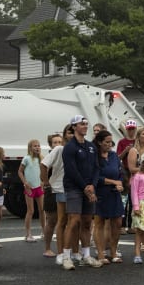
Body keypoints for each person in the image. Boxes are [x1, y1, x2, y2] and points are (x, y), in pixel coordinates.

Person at [61, 114, 102, 270]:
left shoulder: (91, 146)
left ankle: (86, 255)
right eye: (81, 124)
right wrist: (85, 187)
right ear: (74, 127)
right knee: (74, 220)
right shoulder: (69, 147)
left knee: (87, 222)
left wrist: (93, 185)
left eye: (86, 123)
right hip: (74, 188)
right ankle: (66, 256)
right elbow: (71, 170)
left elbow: (97, 167)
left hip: (89, 188)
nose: (85, 126)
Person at [41, 126, 74, 260]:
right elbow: (43, 166)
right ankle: (48, 248)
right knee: (52, 220)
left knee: (67, 221)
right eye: (54, 142)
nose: (57, 144)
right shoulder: (57, 151)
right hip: (53, 189)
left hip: (68, 189)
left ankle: (67, 249)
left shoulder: (73, 150)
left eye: (58, 142)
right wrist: (46, 183)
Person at [93, 130, 125, 263]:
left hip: (114, 193)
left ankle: (113, 252)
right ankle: (100, 253)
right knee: (99, 222)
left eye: (111, 142)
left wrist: (120, 184)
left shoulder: (113, 156)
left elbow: (120, 172)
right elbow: (95, 176)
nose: (109, 144)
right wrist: (112, 182)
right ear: (100, 142)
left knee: (117, 223)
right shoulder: (94, 157)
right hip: (100, 192)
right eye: (106, 142)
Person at [19, 139, 45, 242]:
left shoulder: (41, 159)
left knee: (42, 210)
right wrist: (25, 182)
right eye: (35, 146)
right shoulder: (26, 158)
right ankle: (28, 234)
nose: (37, 147)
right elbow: (20, 172)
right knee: (30, 211)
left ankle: (44, 232)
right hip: (30, 188)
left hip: (39, 187)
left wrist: (43, 181)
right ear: (30, 148)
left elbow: (44, 171)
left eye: (38, 146)